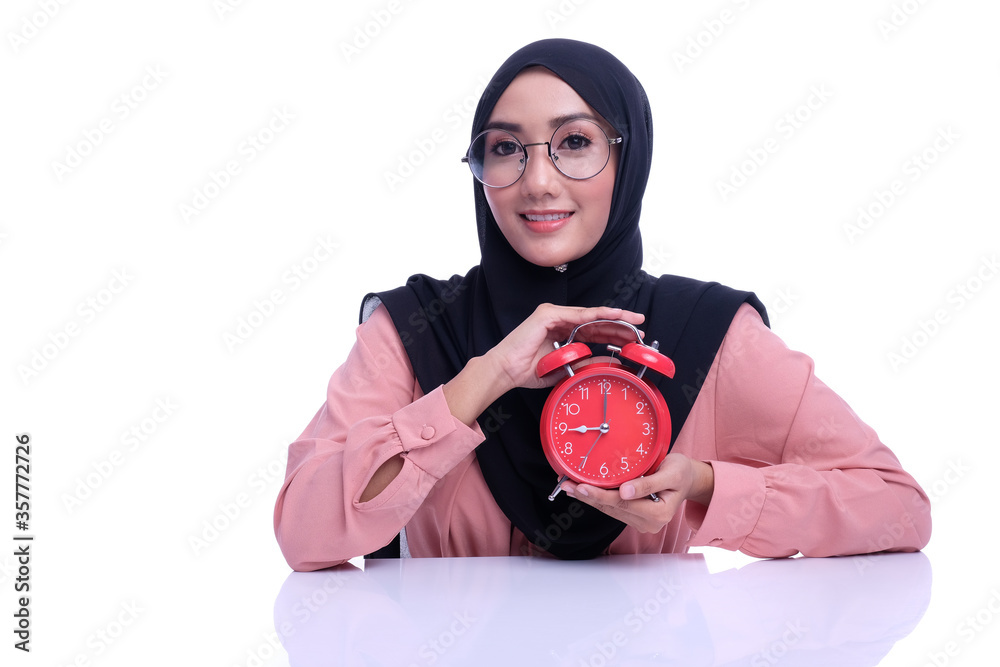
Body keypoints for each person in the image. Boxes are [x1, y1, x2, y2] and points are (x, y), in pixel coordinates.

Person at [273, 39, 931, 570]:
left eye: (575, 142)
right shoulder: (414, 329)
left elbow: (899, 507)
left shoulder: (705, 334)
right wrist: (485, 377)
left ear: (629, 156)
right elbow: (303, 533)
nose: (536, 180)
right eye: (504, 148)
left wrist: (705, 485)